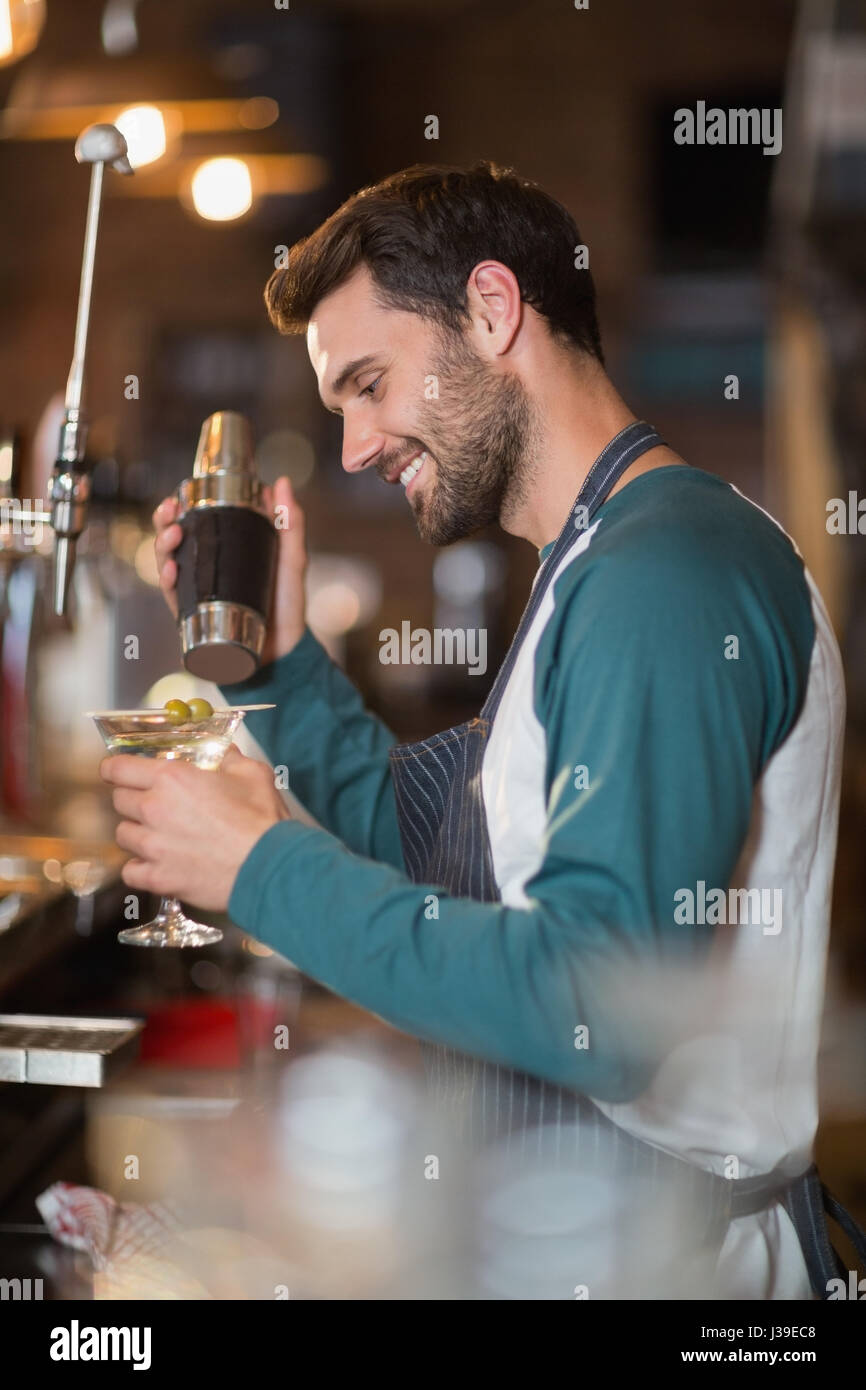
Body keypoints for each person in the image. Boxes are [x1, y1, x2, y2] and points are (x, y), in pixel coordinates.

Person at [103, 161, 865, 1298]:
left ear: (494, 310)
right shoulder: (592, 564)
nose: (353, 445)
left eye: (369, 383)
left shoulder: (665, 576)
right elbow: (436, 852)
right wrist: (280, 663)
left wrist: (259, 867)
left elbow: (595, 1001)